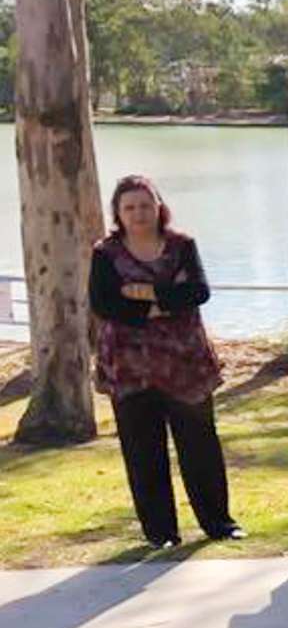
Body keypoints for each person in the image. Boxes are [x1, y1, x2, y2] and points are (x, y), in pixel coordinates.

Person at [89, 174, 240, 549]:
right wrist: (166, 300)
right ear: (118, 213)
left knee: (200, 445)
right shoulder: (105, 253)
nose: (138, 213)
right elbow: (105, 303)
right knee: (143, 451)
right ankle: (161, 533)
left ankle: (219, 524)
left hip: (185, 364)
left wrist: (146, 294)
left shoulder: (182, 245)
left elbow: (198, 291)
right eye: (130, 207)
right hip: (129, 368)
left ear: (159, 207)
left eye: (145, 205)